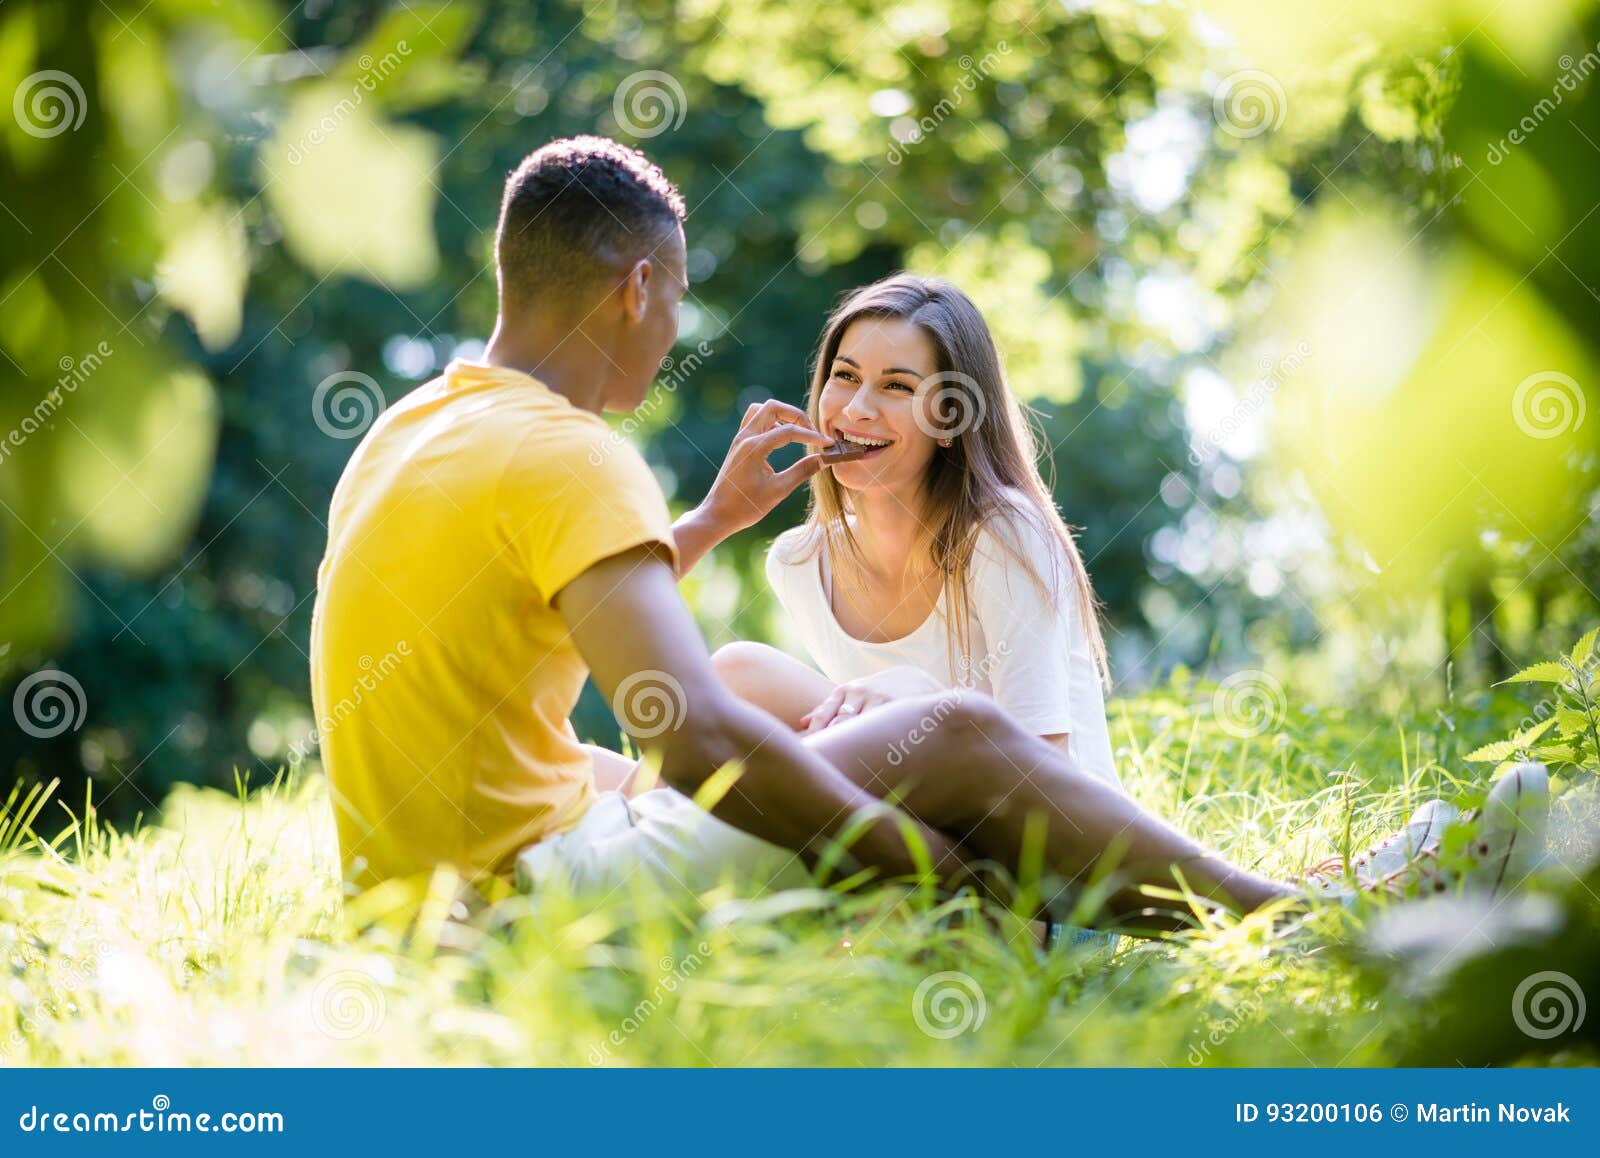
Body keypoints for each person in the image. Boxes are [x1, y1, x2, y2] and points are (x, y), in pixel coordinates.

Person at [308, 136, 1539, 934]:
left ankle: (1263, 899)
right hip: (531, 900)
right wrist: (924, 859)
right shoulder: (571, 452)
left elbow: (535, 610)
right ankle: (1306, 925)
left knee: (754, 678)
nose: (670, 326)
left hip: (428, 899)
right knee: (947, 730)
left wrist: (705, 524)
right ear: (638, 285)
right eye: (673, 297)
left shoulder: (416, 431)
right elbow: (686, 738)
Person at [709, 274, 1119, 803]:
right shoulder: (799, 563)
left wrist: (924, 700)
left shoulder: (1003, 535)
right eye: (845, 375)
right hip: (909, 815)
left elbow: (1043, 779)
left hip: (1043, 835)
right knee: (734, 673)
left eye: (897, 387)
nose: (856, 409)